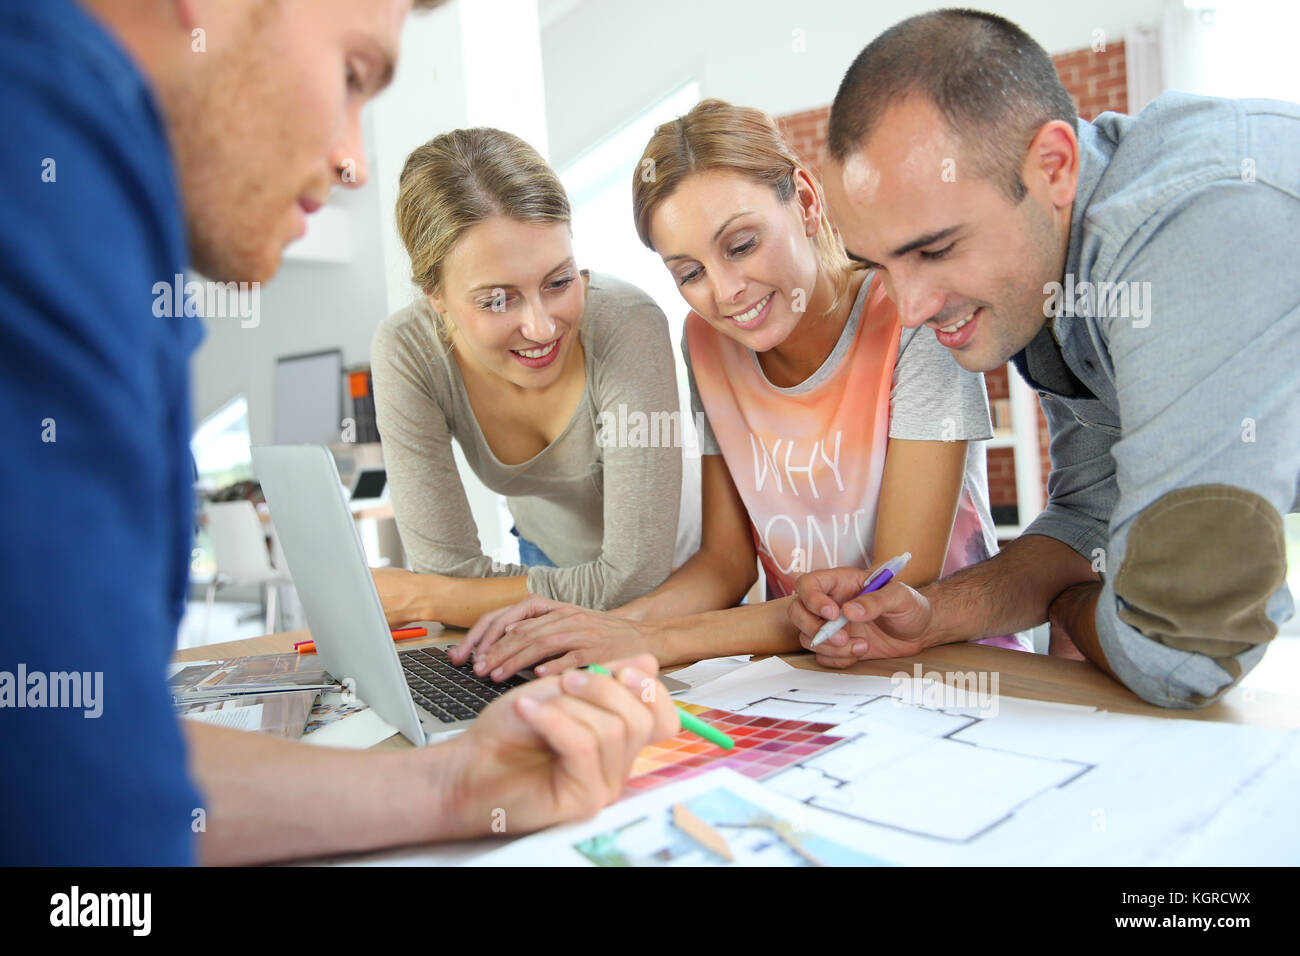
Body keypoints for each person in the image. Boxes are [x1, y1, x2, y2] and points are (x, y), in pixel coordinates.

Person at [0, 0, 678, 866]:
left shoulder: (88, 200)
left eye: (556, 281)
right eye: (353, 75)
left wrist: (456, 783)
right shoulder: (49, 181)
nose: (354, 162)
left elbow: (98, 752)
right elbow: (86, 789)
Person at [789, 8, 1299, 707]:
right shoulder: (1049, 277)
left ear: (1052, 167)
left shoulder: (1189, 229)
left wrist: (1069, 605)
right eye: (878, 262)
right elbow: (1088, 520)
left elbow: (1182, 652)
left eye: (934, 249)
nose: (906, 309)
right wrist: (930, 617)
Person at [452, 98, 1025, 683]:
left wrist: (650, 638)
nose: (725, 292)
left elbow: (889, 592)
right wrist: (599, 630)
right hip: (808, 677)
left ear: (804, 200)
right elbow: (725, 566)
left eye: (742, 245)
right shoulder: (705, 343)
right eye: (690, 273)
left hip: (958, 671)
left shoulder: (910, 319)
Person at [368, 128, 684, 630]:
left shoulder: (627, 324)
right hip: (536, 564)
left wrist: (434, 598)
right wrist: (446, 591)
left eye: (559, 281)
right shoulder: (409, 351)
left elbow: (633, 576)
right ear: (436, 296)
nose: (541, 327)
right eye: (497, 299)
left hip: (673, 584)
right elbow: (444, 572)